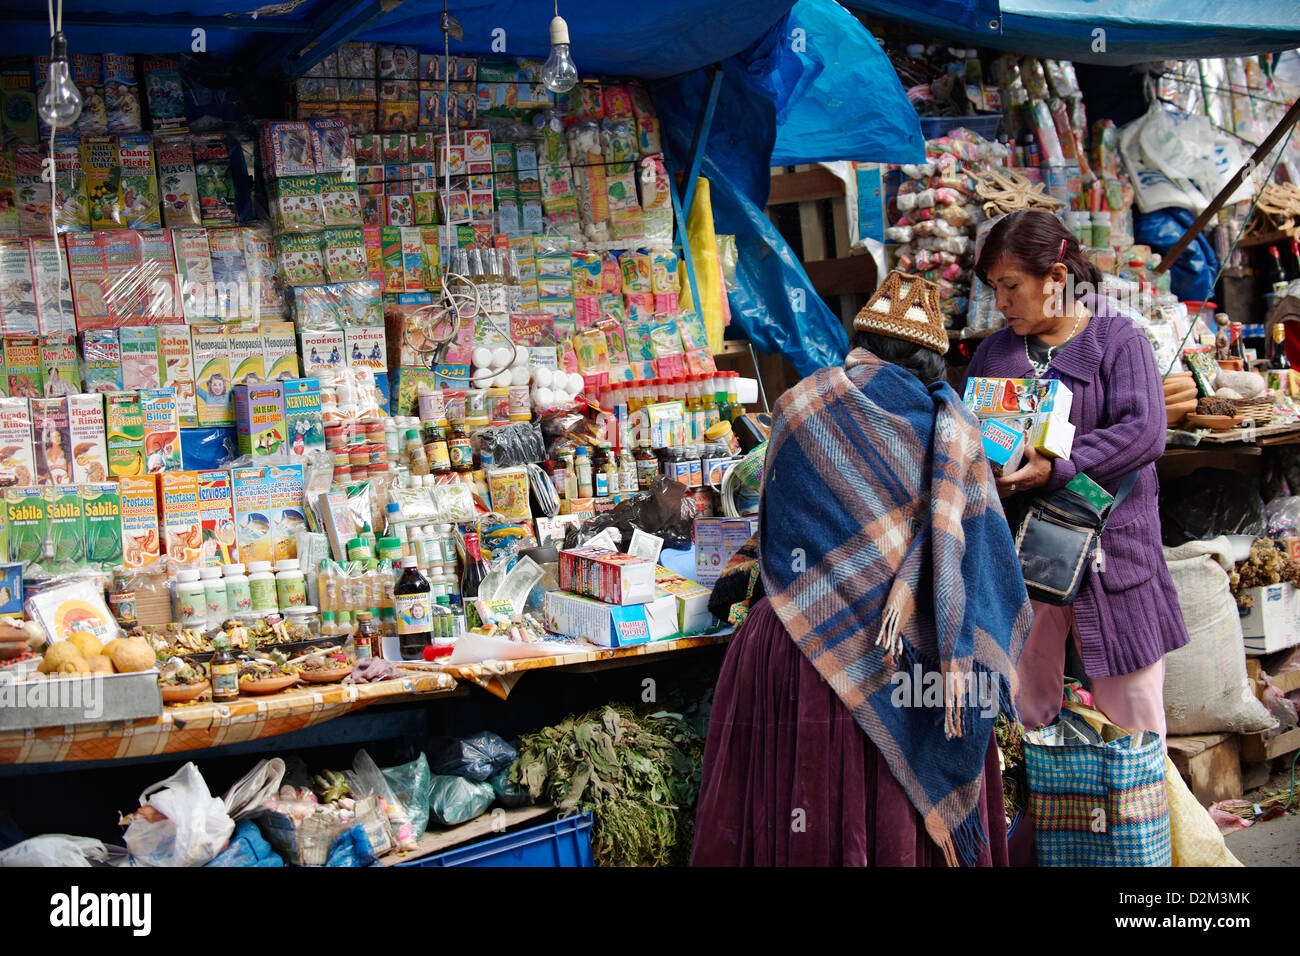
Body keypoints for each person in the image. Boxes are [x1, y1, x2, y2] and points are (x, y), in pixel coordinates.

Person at [693, 273, 1031, 867]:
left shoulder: (799, 407)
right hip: (912, 663)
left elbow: (772, 528)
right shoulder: (957, 436)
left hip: (804, 647)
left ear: (859, 346)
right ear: (931, 362)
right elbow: (984, 571)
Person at [965, 209, 1189, 738]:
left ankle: (1138, 817)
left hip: (1113, 555)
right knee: (1022, 711)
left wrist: (1058, 468)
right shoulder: (993, 354)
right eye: (994, 288)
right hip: (1023, 558)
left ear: (1058, 280)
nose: (1000, 303)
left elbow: (1145, 432)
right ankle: (1040, 819)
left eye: (1011, 286)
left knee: (1132, 716)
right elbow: (965, 432)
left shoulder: (1118, 341)